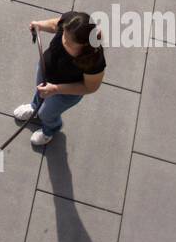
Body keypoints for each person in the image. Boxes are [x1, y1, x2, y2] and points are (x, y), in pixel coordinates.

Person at [13, 11, 106, 146]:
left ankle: (50, 129)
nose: (63, 41)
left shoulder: (94, 61)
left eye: (69, 42)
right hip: (46, 71)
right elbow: (55, 25)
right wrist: (39, 25)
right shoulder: (70, 23)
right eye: (63, 35)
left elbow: (90, 87)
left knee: (47, 113)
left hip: (64, 93)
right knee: (39, 93)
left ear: (85, 45)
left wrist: (56, 89)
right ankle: (35, 107)